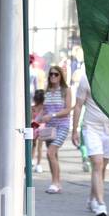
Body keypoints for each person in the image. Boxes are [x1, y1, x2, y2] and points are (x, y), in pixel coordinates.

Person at [71, 72, 109, 216]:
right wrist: (75, 130)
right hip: (92, 127)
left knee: (102, 167)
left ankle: (92, 198)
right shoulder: (86, 78)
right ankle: (101, 203)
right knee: (98, 164)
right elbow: (78, 106)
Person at [40, 65, 72, 193]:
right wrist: (36, 120)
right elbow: (44, 110)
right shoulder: (47, 91)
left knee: (50, 153)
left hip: (62, 126)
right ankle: (57, 182)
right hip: (49, 128)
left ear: (60, 76)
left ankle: (55, 182)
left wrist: (52, 115)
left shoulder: (65, 90)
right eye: (51, 74)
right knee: (53, 155)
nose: (53, 76)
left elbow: (68, 109)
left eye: (56, 74)